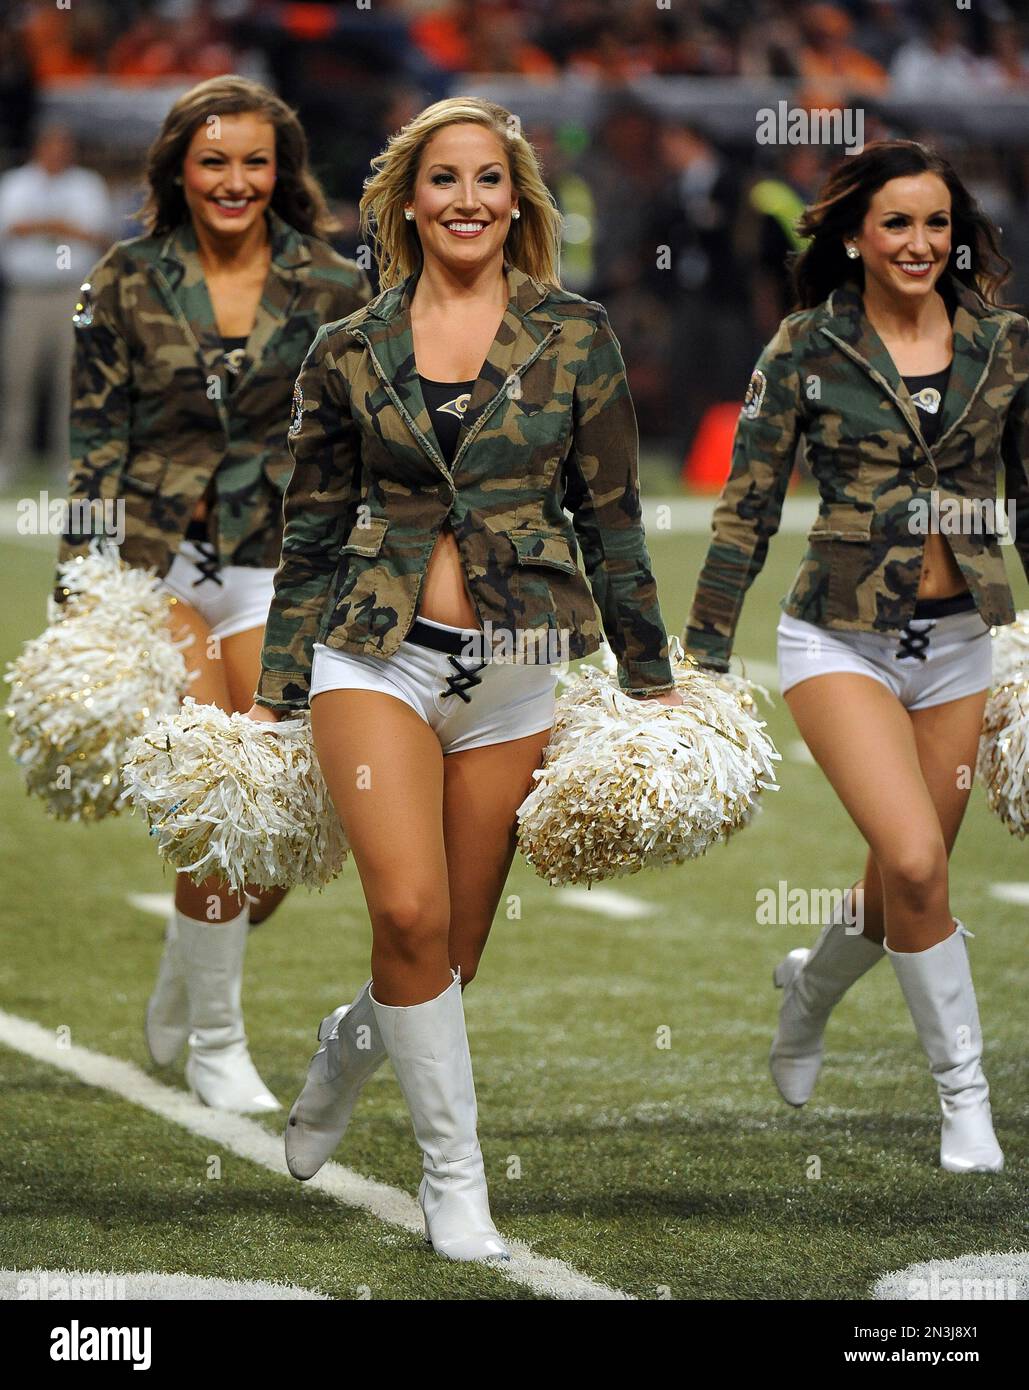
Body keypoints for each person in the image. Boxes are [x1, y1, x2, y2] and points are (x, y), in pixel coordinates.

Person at [246, 95, 684, 1261]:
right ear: (406, 200)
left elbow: (615, 519)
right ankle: (455, 1180)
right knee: (407, 910)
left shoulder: (576, 333)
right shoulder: (348, 347)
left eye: (489, 179)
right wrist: (275, 688)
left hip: (520, 664)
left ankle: (350, 1039)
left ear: (518, 199)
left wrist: (652, 676)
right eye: (445, 178)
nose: (468, 200)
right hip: (373, 654)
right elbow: (310, 531)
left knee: (452, 955)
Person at [683, 139, 1029, 1174]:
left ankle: (808, 994)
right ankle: (963, 1098)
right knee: (921, 862)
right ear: (854, 236)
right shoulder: (806, 346)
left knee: (899, 882)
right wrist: (699, 657)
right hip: (838, 637)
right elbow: (745, 508)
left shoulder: (1005, 344)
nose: (921, 242)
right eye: (897, 224)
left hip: (966, 638)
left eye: (937, 223)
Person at [55, 75, 371, 1112]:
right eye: (212, 161)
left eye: (253, 162)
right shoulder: (123, 278)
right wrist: (82, 592)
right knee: (214, 780)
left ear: (279, 172)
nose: (234, 181)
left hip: (281, 566)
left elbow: (363, 440)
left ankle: (186, 961)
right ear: (177, 171)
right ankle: (217, 1044)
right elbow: (96, 445)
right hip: (162, 565)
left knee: (276, 834)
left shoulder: (332, 285)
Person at [0, 121, 111, 486]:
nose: (58, 152)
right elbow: (11, 229)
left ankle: (66, 463)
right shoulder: (16, 183)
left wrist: (44, 227)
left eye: (64, 145)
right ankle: (9, 459)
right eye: (52, 145)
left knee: (71, 379)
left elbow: (96, 235)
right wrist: (61, 226)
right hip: (27, 293)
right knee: (18, 378)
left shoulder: (86, 184)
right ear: (39, 148)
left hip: (71, 292)